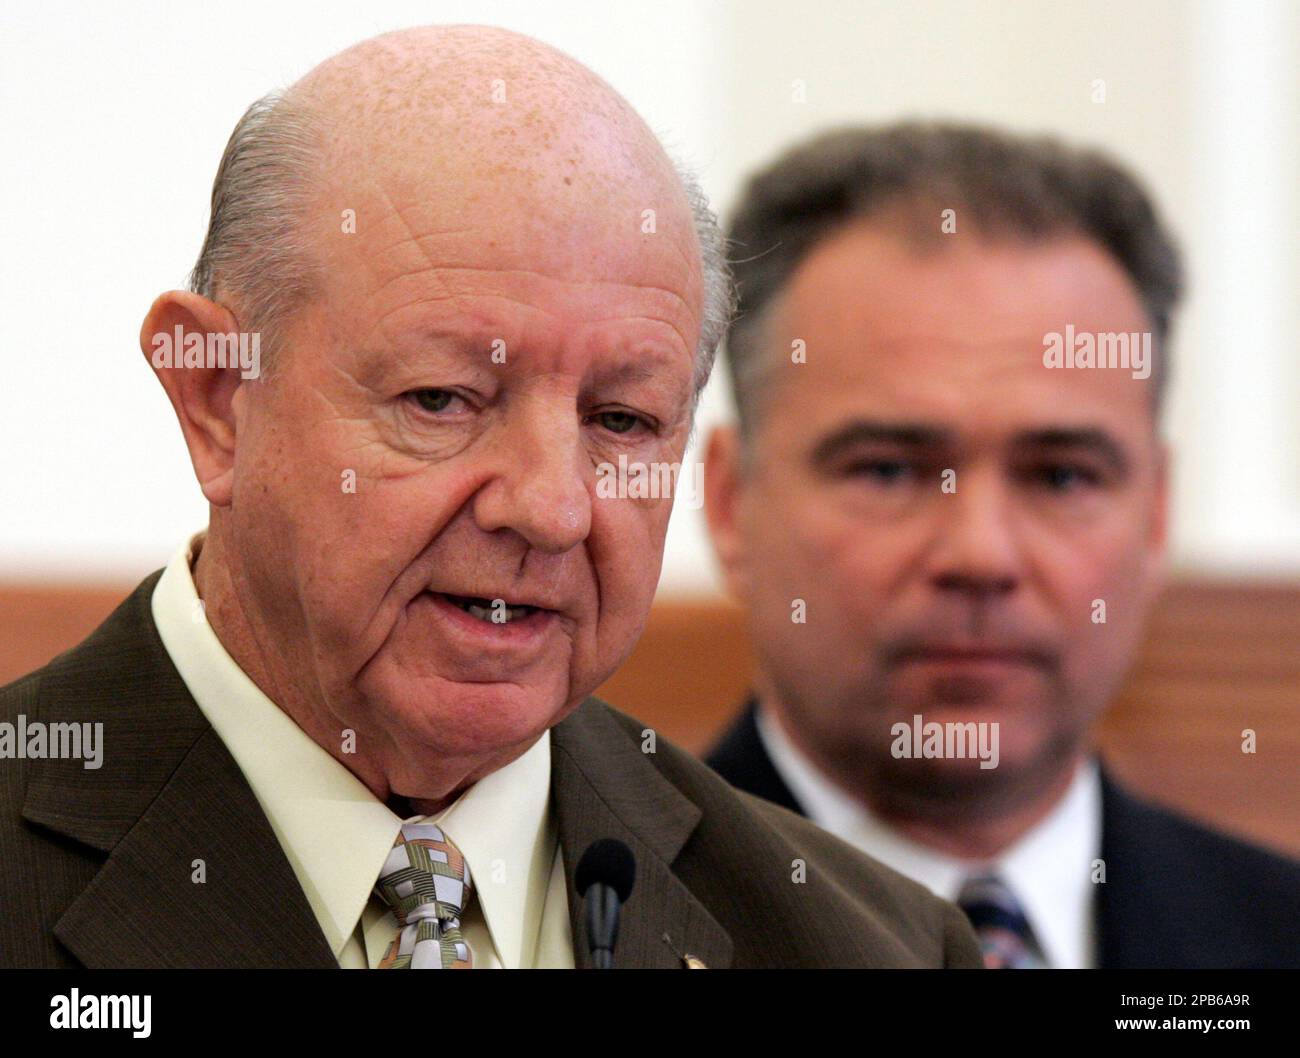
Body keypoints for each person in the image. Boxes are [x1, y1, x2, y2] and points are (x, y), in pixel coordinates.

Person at [0, 29, 981, 970]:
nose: (553, 509)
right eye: (442, 400)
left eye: (622, 420)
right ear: (217, 399)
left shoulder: (868, 941)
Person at [702, 122, 1300, 969]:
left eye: (1061, 478)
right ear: (730, 504)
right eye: (887, 471)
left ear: (1157, 513)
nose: (981, 556)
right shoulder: (583, 925)